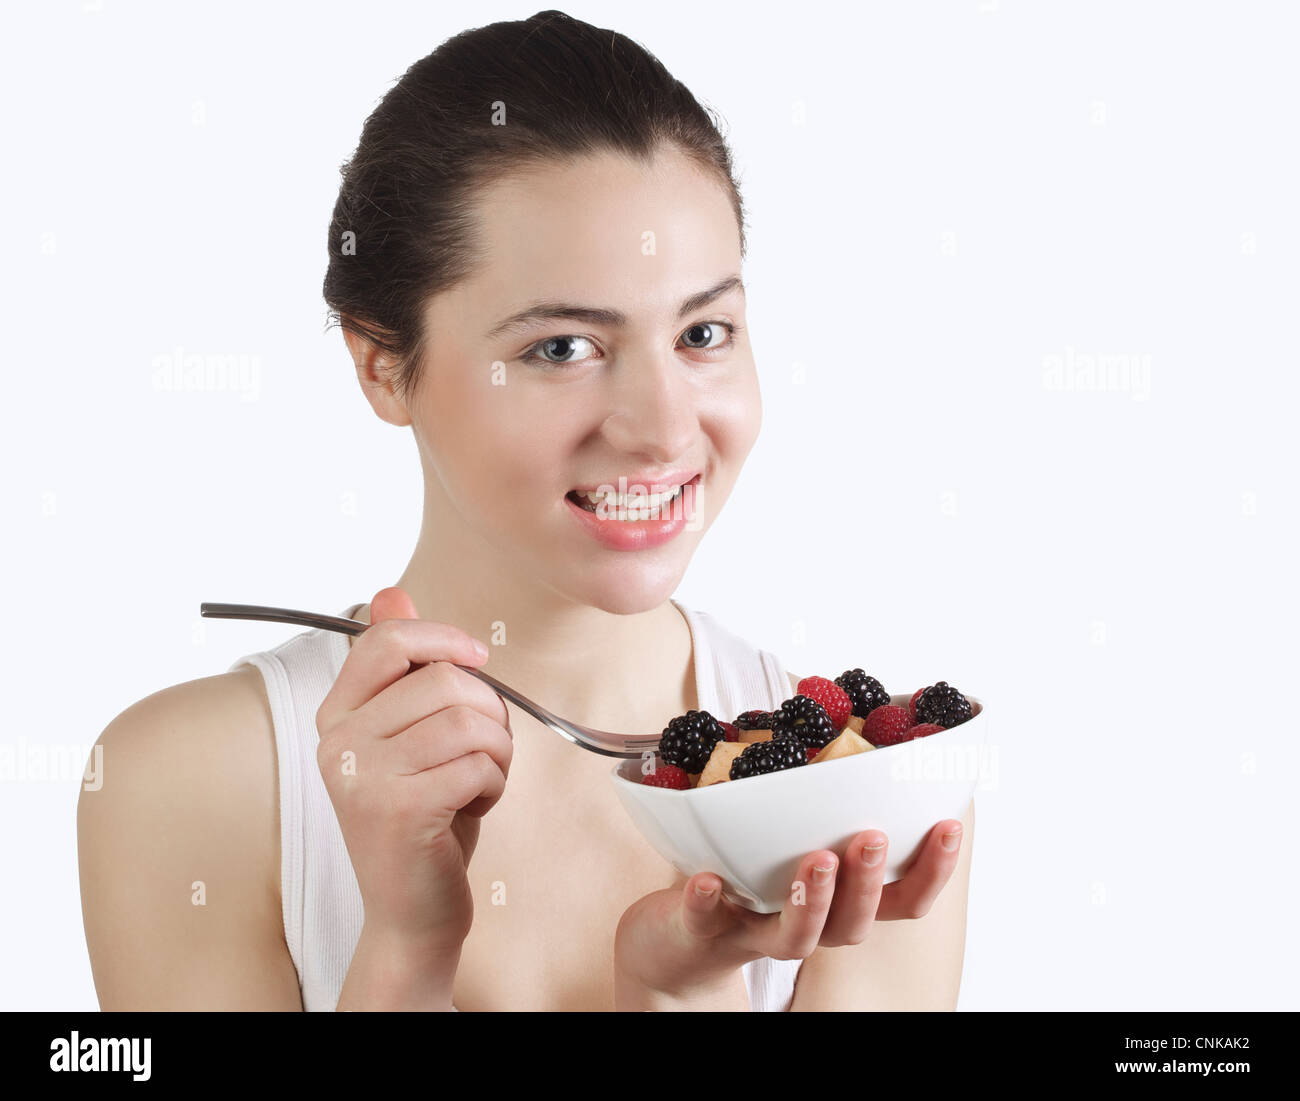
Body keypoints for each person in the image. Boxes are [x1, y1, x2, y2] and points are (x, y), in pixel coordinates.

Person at [78, 9, 972, 1012]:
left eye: (703, 331)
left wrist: (678, 995)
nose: (660, 429)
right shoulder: (186, 786)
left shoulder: (866, 795)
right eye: (561, 348)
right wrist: (406, 949)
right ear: (382, 366)